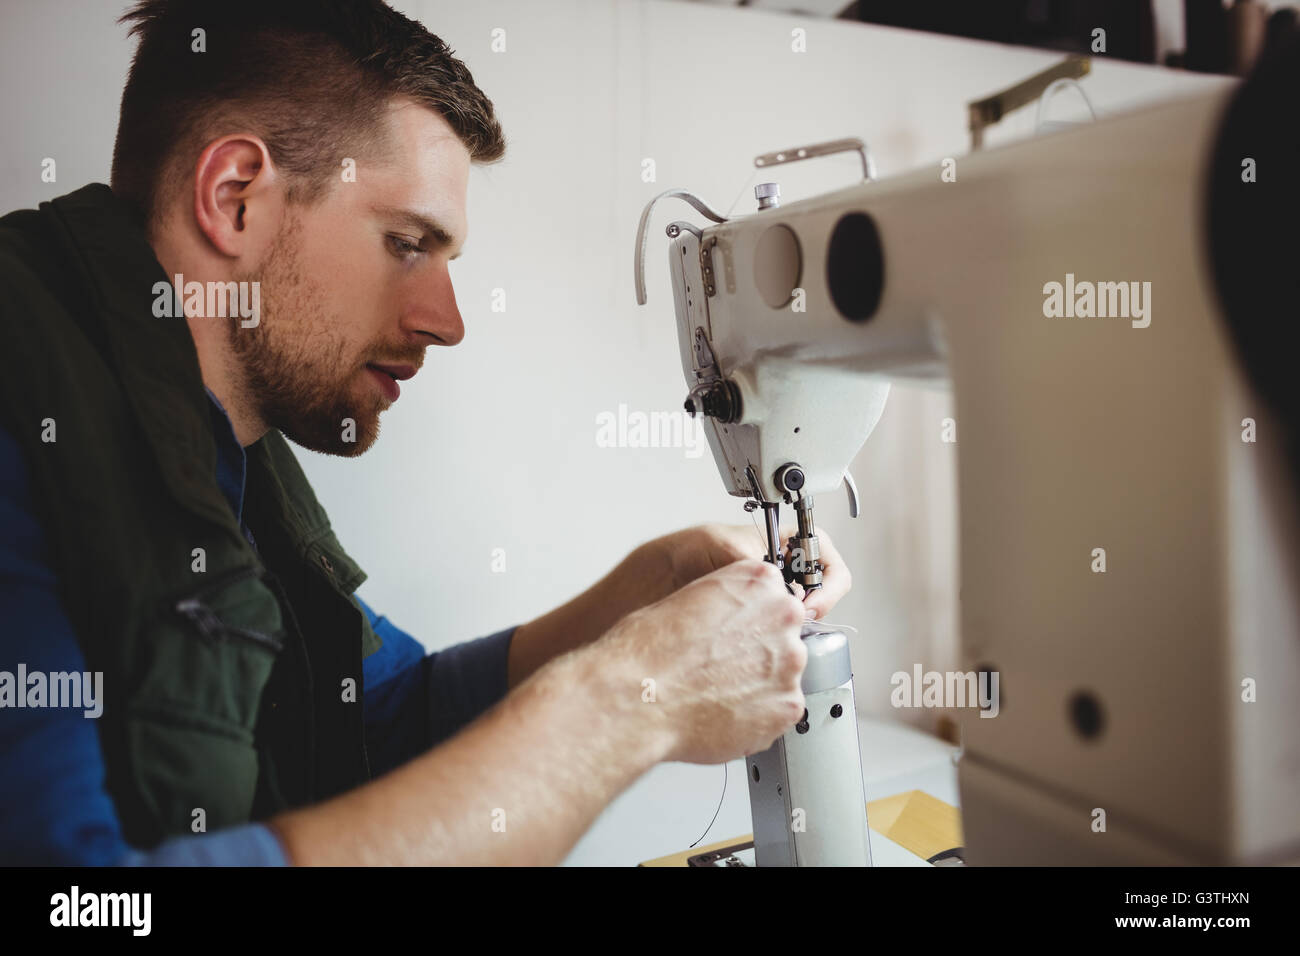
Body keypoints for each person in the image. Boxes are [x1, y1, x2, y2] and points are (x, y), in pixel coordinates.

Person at [0, 0, 851, 865]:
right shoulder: (24, 402)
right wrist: (634, 701)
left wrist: (641, 594)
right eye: (408, 242)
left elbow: (377, 714)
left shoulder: (212, 439)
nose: (447, 322)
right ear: (235, 199)